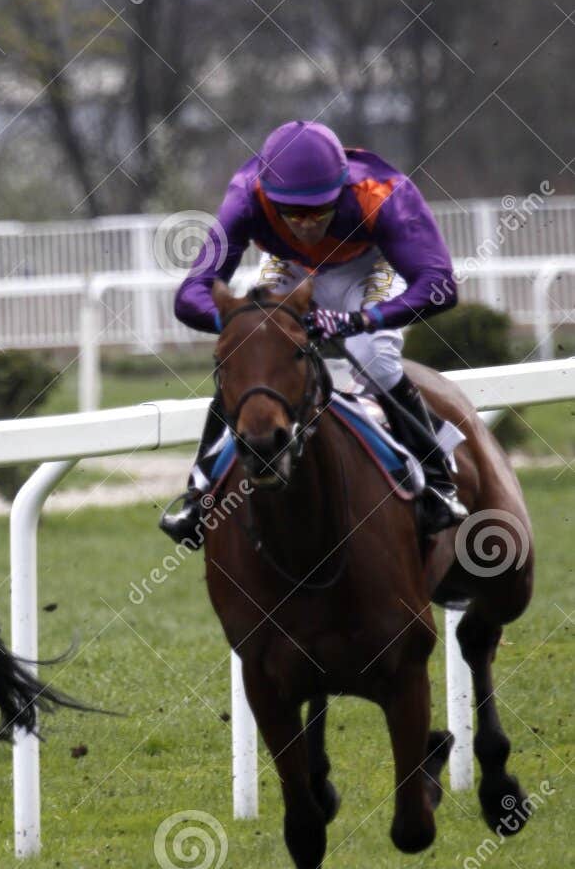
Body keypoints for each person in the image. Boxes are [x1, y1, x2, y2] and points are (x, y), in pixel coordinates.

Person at [159, 119, 468, 549]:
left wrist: (360, 320)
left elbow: (440, 285)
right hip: (291, 267)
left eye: (319, 212)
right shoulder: (247, 194)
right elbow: (190, 292)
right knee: (250, 358)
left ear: (341, 192)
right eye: (292, 213)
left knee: (374, 359)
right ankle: (198, 497)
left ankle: (438, 483)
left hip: (367, 266)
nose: (306, 225)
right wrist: (239, 329)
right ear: (269, 197)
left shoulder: (381, 192)